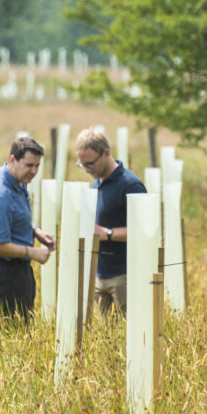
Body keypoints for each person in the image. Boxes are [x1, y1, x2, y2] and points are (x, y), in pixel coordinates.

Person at [0, 136, 57, 321]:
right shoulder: (0, 195)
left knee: (14, 332)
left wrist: (35, 230)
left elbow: (12, 218)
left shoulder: (15, 179)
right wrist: (33, 252)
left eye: (37, 165)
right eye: (29, 165)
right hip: (3, 272)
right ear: (13, 159)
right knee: (12, 334)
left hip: (13, 270)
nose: (34, 171)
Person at [75, 127, 146, 316]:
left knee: (126, 333)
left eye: (90, 164)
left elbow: (144, 232)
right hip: (99, 275)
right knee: (107, 339)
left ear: (106, 153)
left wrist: (107, 233)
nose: (87, 170)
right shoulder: (97, 180)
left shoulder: (130, 184)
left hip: (124, 275)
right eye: (82, 165)